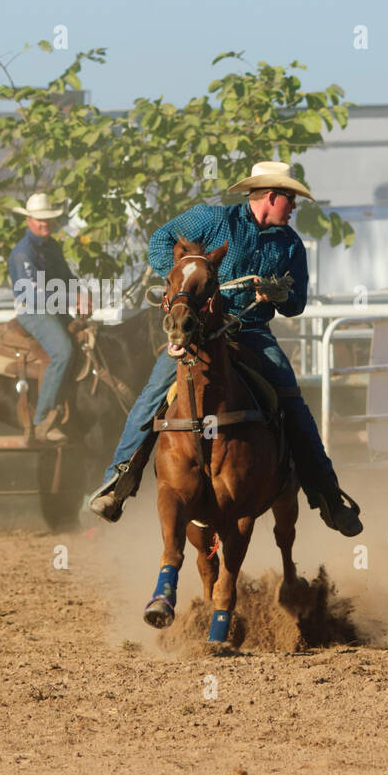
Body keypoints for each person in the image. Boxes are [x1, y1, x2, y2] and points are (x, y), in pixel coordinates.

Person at [88, 161, 363, 536]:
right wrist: (184, 271)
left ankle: (327, 496)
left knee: (293, 403)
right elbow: (159, 241)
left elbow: (296, 304)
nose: (295, 206)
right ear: (271, 197)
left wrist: (281, 294)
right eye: (291, 199)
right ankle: (118, 482)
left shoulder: (290, 245)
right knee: (154, 394)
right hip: (198, 331)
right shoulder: (210, 220)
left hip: (252, 332)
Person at [7, 192, 90, 444]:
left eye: (48, 219)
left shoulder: (52, 247)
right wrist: (70, 300)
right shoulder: (23, 253)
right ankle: (42, 418)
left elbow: (66, 276)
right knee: (63, 351)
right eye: (39, 220)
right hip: (32, 311)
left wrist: (81, 293)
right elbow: (34, 296)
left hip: (52, 307)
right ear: (29, 221)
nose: (45, 224)